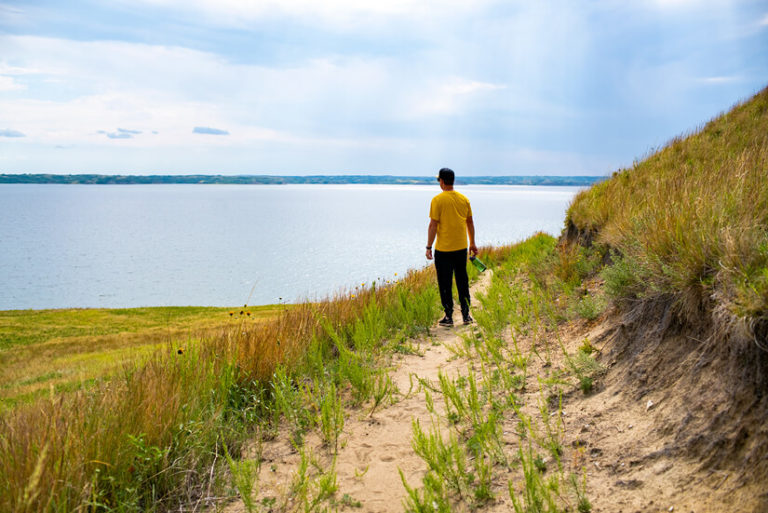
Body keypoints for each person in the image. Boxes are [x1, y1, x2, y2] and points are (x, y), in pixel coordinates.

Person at [425, 168, 478, 327]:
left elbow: (433, 225)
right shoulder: (464, 199)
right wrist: (472, 243)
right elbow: (470, 223)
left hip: (443, 250)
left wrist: (428, 246)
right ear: (452, 181)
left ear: (442, 181)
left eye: (438, 180)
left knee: (445, 283)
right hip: (461, 248)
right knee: (462, 281)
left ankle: (448, 316)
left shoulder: (437, 200)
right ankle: (466, 315)